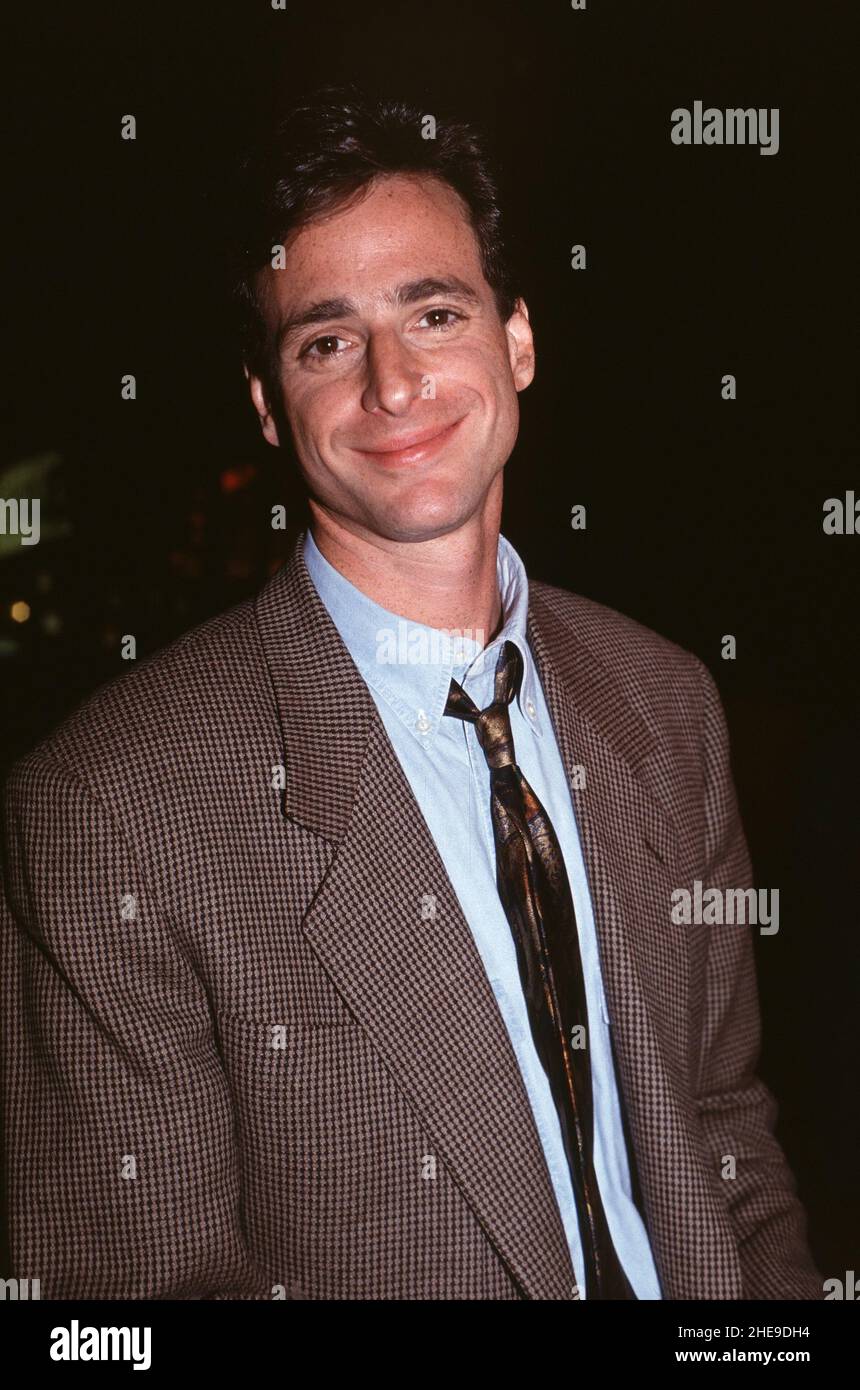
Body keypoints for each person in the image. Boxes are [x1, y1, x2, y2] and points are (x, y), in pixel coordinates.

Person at [0, 86, 822, 1300]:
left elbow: (724, 1131)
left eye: (434, 313)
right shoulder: (106, 809)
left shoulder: (664, 704)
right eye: (326, 341)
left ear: (518, 341)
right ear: (269, 405)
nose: (393, 384)